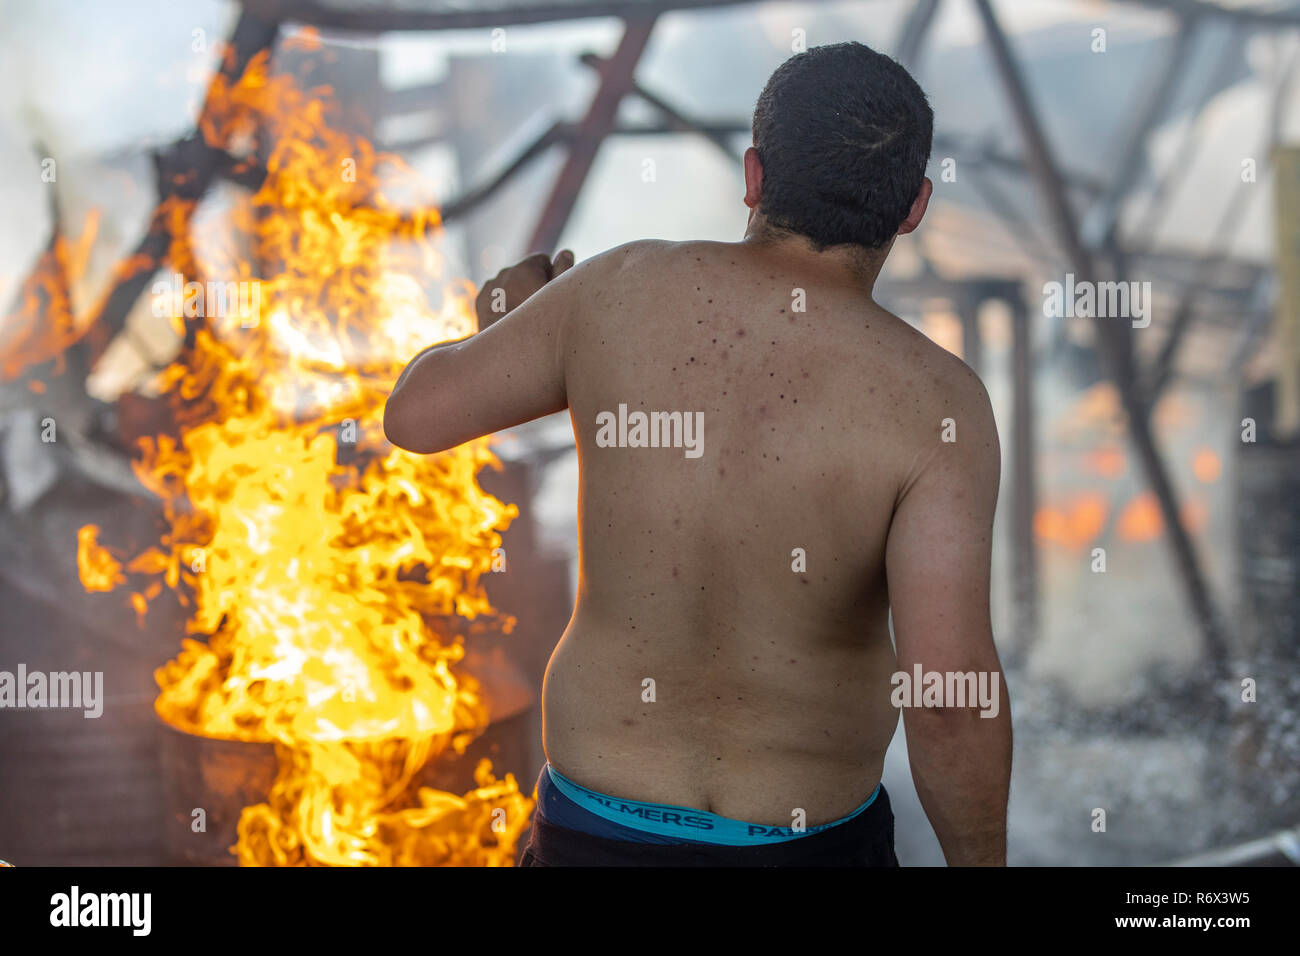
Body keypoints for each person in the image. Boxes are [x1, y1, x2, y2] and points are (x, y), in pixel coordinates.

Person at [385, 41, 1011, 866]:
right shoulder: (939, 404)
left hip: (591, 835)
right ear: (913, 207)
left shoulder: (613, 293)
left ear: (754, 178)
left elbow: (414, 416)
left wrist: (500, 324)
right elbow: (948, 701)